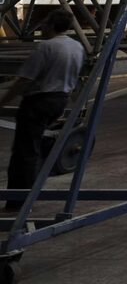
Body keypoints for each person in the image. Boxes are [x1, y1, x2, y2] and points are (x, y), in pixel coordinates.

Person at [2, 10, 84, 208]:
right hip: (60, 100)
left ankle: (18, 202)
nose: (42, 28)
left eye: (45, 24)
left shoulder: (46, 47)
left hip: (39, 101)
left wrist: (3, 101)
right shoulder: (77, 47)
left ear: (53, 26)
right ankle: (26, 194)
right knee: (34, 146)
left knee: (24, 152)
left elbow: (25, 80)